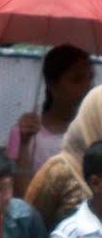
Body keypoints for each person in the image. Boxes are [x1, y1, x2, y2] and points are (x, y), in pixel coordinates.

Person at [10, 44, 93, 194]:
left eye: (90, 77)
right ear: (52, 84)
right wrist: (24, 144)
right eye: (77, 79)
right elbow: (20, 196)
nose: (87, 86)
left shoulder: (94, 131)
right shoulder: (26, 132)